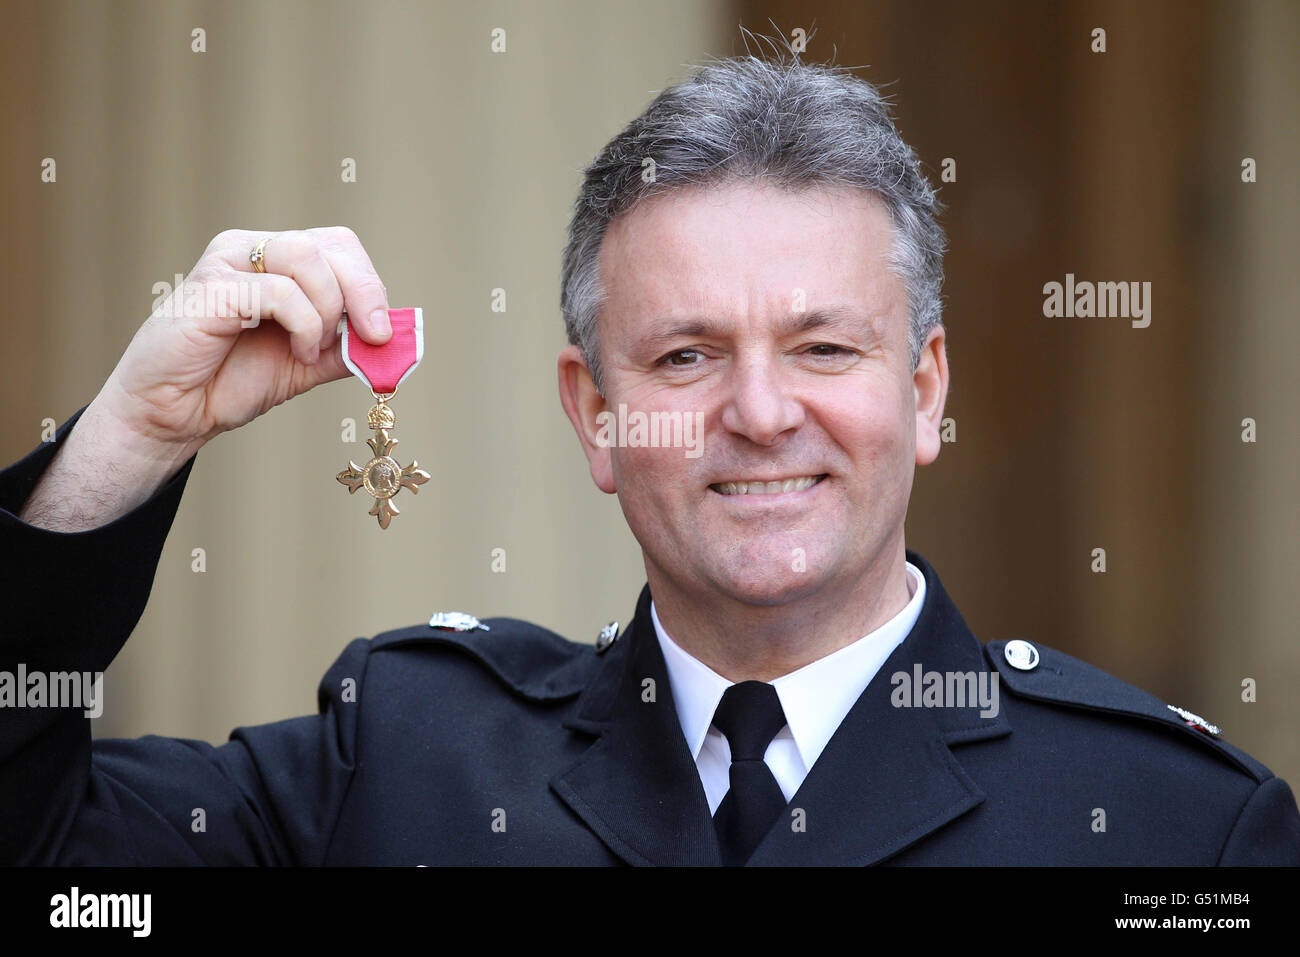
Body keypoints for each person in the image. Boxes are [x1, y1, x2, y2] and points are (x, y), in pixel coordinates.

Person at [3, 52, 1298, 867]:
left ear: (926, 389)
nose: (758, 410)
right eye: (684, 356)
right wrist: (132, 437)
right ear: (594, 414)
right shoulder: (396, 762)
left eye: (824, 348)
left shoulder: (1171, 825)